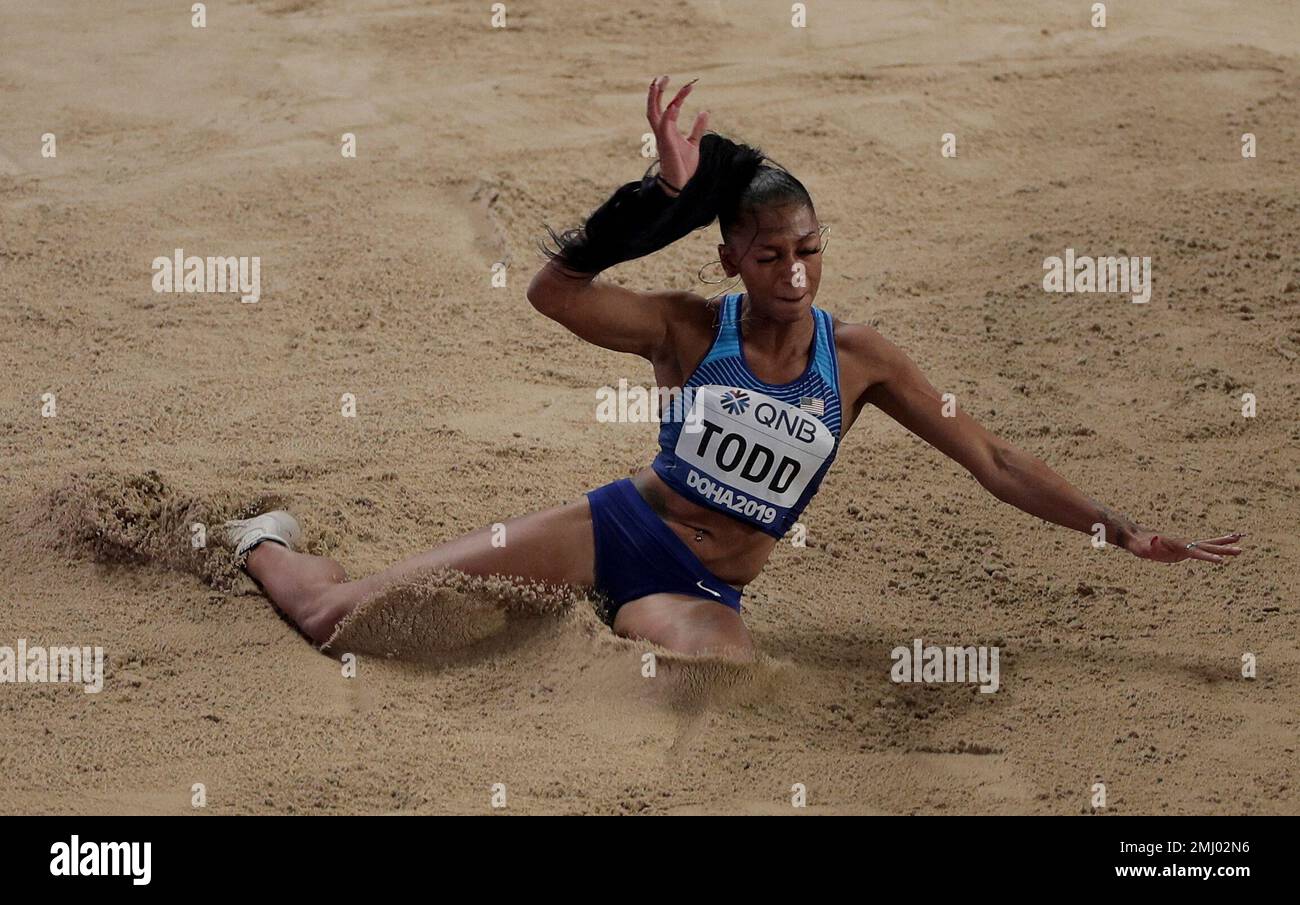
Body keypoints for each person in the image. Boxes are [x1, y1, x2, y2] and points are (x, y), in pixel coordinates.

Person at [226, 75, 1245, 660]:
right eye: (769, 254)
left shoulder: (861, 361)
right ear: (730, 259)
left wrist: (1119, 527)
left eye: (808, 248)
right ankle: (266, 539)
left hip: (705, 587)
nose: (793, 271)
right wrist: (651, 199)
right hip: (619, 528)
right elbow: (554, 291)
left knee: (721, 659)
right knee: (339, 623)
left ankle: (589, 649)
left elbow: (996, 458)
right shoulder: (684, 326)